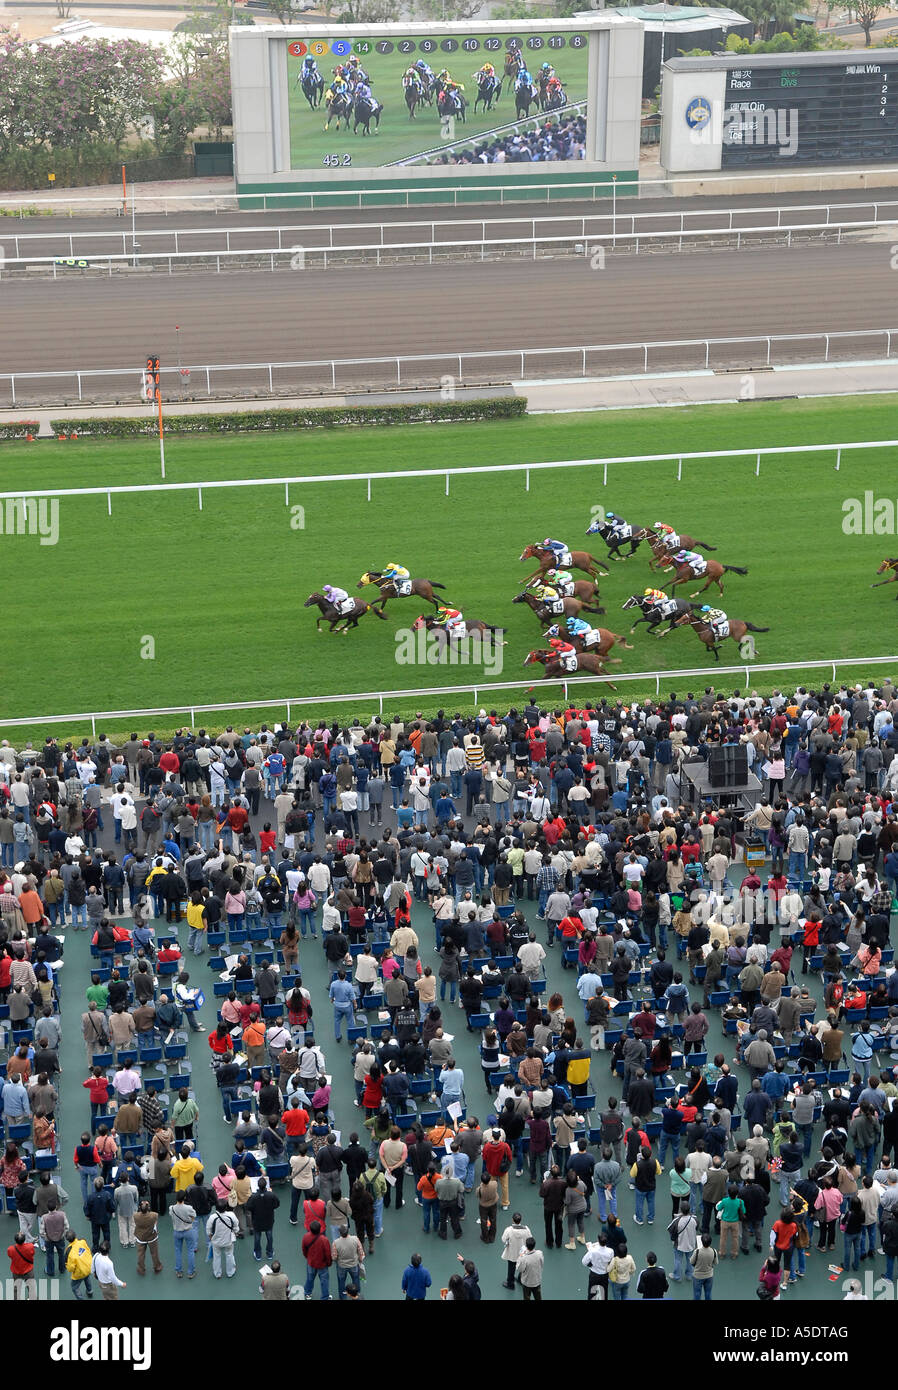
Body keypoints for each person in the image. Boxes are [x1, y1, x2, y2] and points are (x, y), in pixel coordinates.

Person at [206, 1200, 239, 1280]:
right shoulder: (231, 1215)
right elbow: (236, 1227)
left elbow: (208, 1230)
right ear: (226, 1207)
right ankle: (230, 1272)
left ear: (216, 1208)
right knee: (229, 1255)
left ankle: (217, 1274)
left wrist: (211, 1237)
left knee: (217, 1256)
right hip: (228, 1241)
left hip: (216, 1242)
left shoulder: (212, 1217)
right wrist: (235, 1232)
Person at [515, 1235, 544, 1301]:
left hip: (527, 1283)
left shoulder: (524, 1258)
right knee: (538, 1297)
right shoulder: (540, 1253)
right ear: (534, 1245)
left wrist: (520, 1257)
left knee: (527, 1297)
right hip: (537, 1281)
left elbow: (519, 1269)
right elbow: (542, 1263)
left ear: (526, 1246)